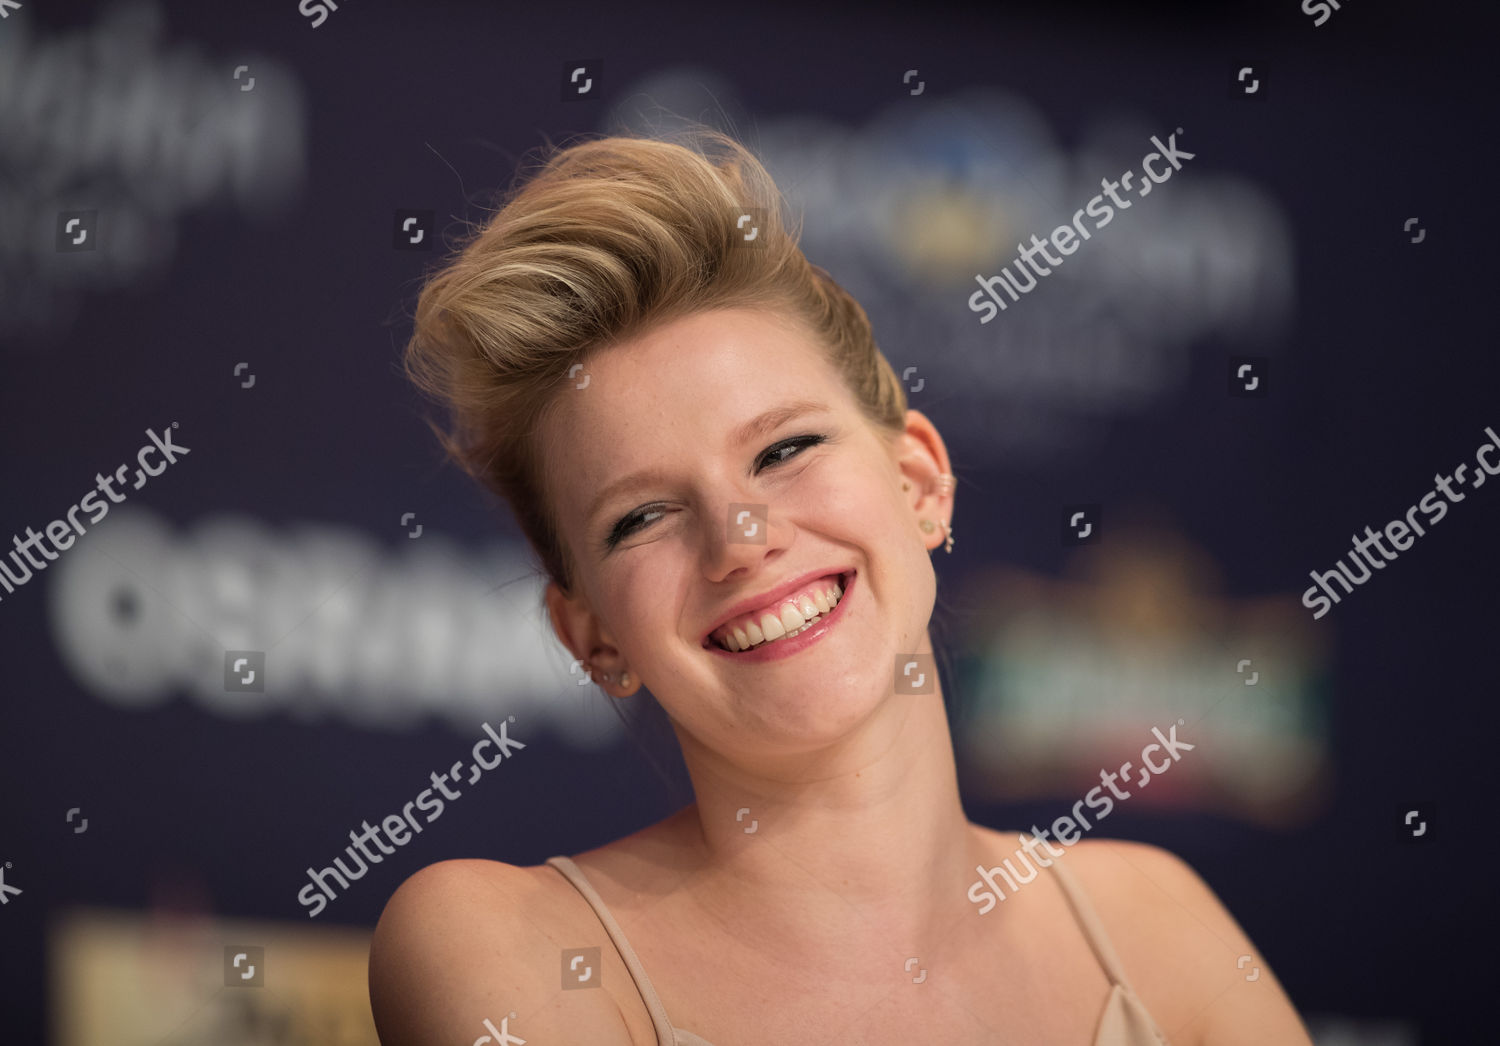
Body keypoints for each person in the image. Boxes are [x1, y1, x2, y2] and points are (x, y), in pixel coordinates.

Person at [367, 126, 1313, 1045]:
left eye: (785, 449)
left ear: (918, 485)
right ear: (591, 637)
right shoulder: (503, 942)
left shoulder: (1157, 926)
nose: (740, 541)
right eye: (643, 516)